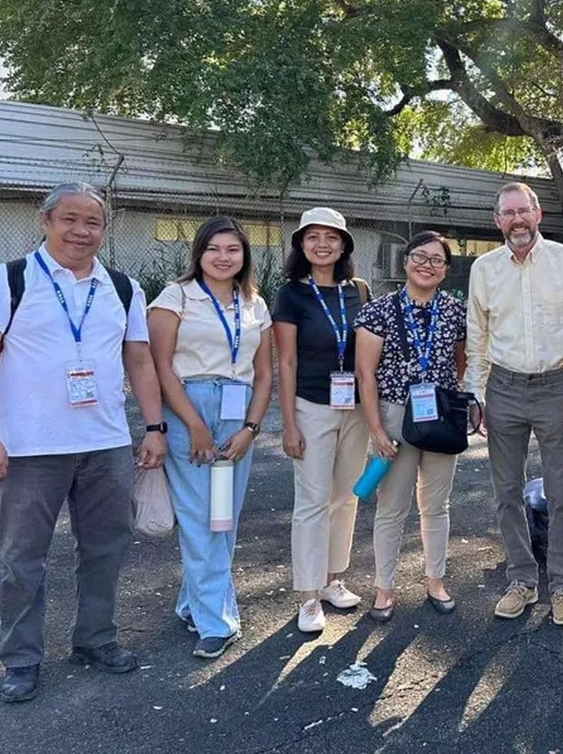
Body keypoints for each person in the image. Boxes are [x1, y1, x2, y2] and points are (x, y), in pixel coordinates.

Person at [0, 183, 166, 703]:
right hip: (28, 447)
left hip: (105, 441)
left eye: (92, 222)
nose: (81, 231)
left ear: (104, 229)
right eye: (69, 219)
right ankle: (21, 660)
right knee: (22, 557)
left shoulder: (122, 286)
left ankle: (95, 639)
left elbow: (139, 359)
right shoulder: (9, 280)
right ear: (44, 220)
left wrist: (154, 428)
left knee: (106, 548)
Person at [464, 183, 563, 625]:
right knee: (506, 493)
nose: (517, 220)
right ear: (497, 221)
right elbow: (477, 337)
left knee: (562, 493)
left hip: (556, 386)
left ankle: (561, 585)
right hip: (502, 386)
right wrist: (476, 394)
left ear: (538, 215)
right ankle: (521, 579)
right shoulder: (484, 269)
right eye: (508, 213)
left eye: (524, 211)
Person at [148, 216, 273, 660]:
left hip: (239, 413)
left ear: (245, 256)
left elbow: (264, 374)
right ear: (199, 253)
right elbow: (160, 367)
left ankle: (193, 603)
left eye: (233, 250)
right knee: (201, 517)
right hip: (190, 407)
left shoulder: (255, 303)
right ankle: (217, 622)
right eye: (214, 249)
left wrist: (251, 428)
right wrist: (193, 425)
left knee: (224, 517)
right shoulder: (175, 297)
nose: (223, 257)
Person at [355, 231, 467, 621]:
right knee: (392, 507)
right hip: (393, 415)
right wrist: (376, 430)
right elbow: (365, 375)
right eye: (420, 256)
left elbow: (461, 361)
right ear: (405, 261)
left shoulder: (455, 312)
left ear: (446, 271)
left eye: (437, 260)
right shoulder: (378, 311)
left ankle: (435, 578)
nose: (427, 265)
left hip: (440, 416)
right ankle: (384, 587)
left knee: (436, 505)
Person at [273, 207, 370, 634]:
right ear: (301, 244)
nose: (322, 244)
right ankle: (308, 595)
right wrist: (289, 423)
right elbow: (286, 360)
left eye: (331, 237)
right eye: (312, 237)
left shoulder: (359, 290)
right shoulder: (291, 294)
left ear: (344, 244)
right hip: (311, 406)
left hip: (356, 409)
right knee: (311, 503)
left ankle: (333, 579)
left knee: (346, 496)